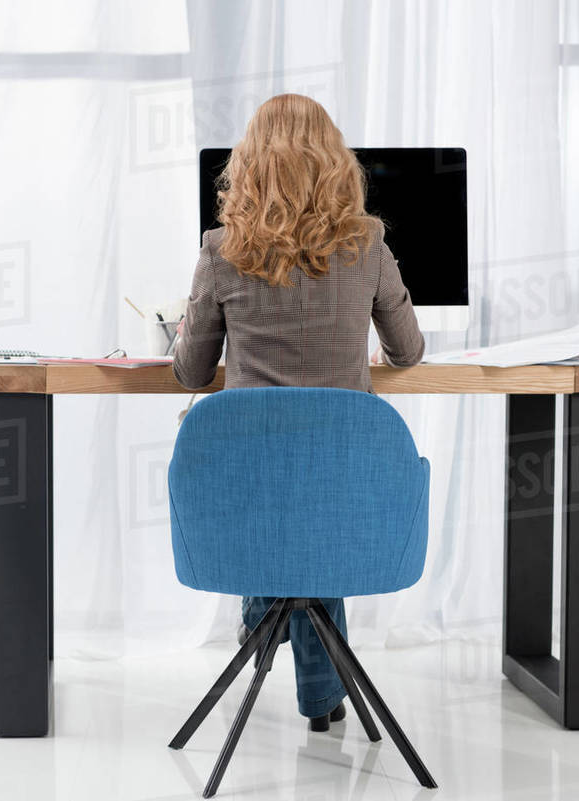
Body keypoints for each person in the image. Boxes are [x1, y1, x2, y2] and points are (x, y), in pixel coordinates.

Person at [172, 93, 425, 732]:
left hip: (248, 485)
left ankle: (263, 615)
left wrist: (187, 324)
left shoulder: (221, 248)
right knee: (317, 498)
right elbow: (410, 352)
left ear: (249, 167)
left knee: (284, 496)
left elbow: (190, 373)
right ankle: (319, 692)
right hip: (347, 484)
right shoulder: (368, 245)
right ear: (335, 164)